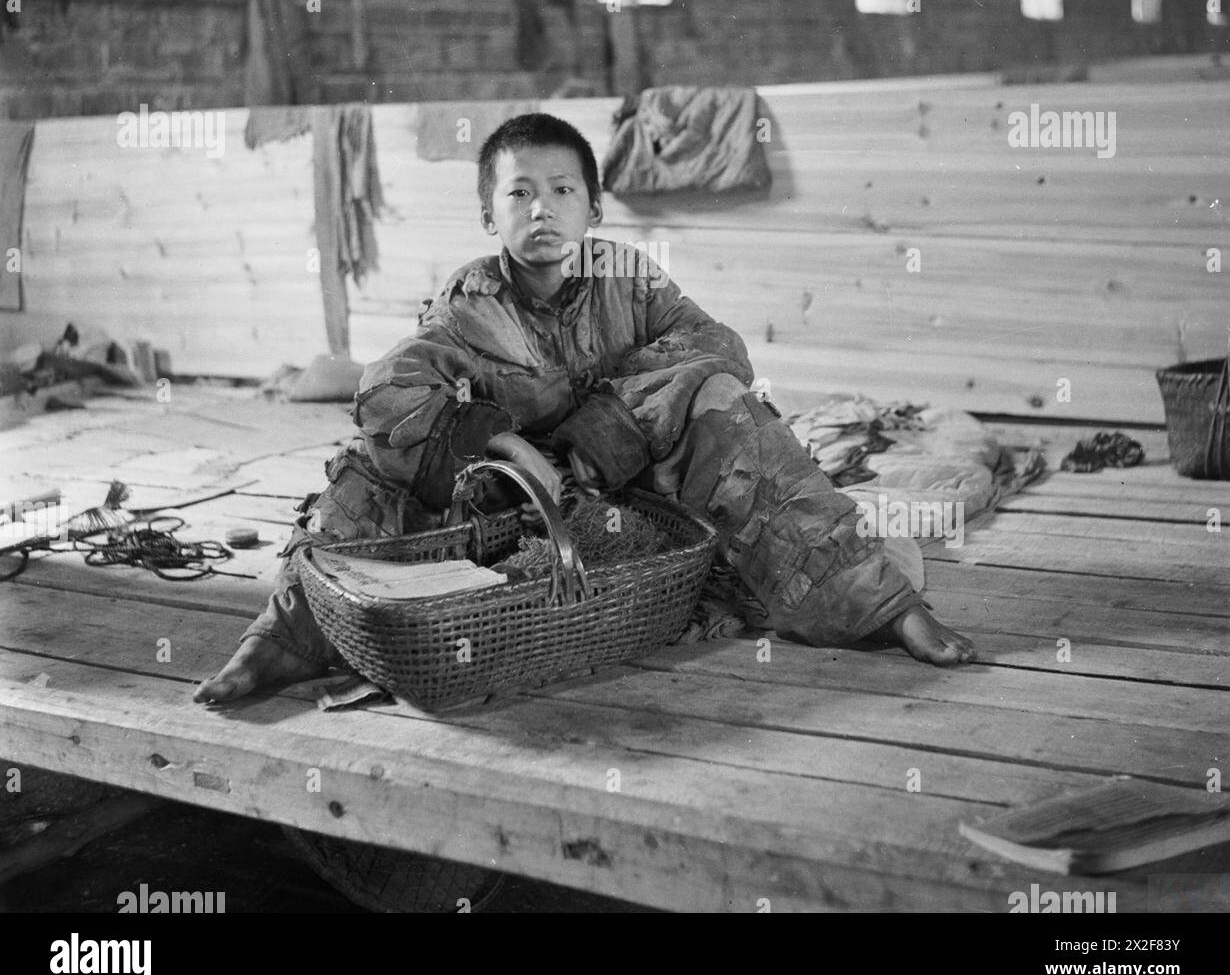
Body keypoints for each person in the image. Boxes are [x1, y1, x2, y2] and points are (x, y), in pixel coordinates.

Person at [195, 114, 973, 704]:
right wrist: (498, 443)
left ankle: (880, 606)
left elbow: (715, 345)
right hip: (517, 508)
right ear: (488, 216)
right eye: (520, 193)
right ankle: (291, 634)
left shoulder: (630, 280)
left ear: (594, 208)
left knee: (725, 401)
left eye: (563, 190)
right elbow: (386, 391)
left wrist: (602, 431)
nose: (543, 210)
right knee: (367, 473)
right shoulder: (470, 303)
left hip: (632, 490)